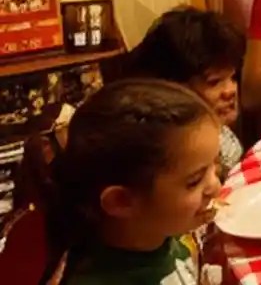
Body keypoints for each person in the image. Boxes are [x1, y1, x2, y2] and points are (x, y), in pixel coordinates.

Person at [33, 80, 223, 284]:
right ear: (121, 201)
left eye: (215, 164)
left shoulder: (160, 231)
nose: (216, 187)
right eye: (194, 181)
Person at [127, 7, 246, 178]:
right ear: (172, 86)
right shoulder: (166, 155)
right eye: (214, 82)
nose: (230, 90)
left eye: (233, 78)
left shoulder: (214, 125)